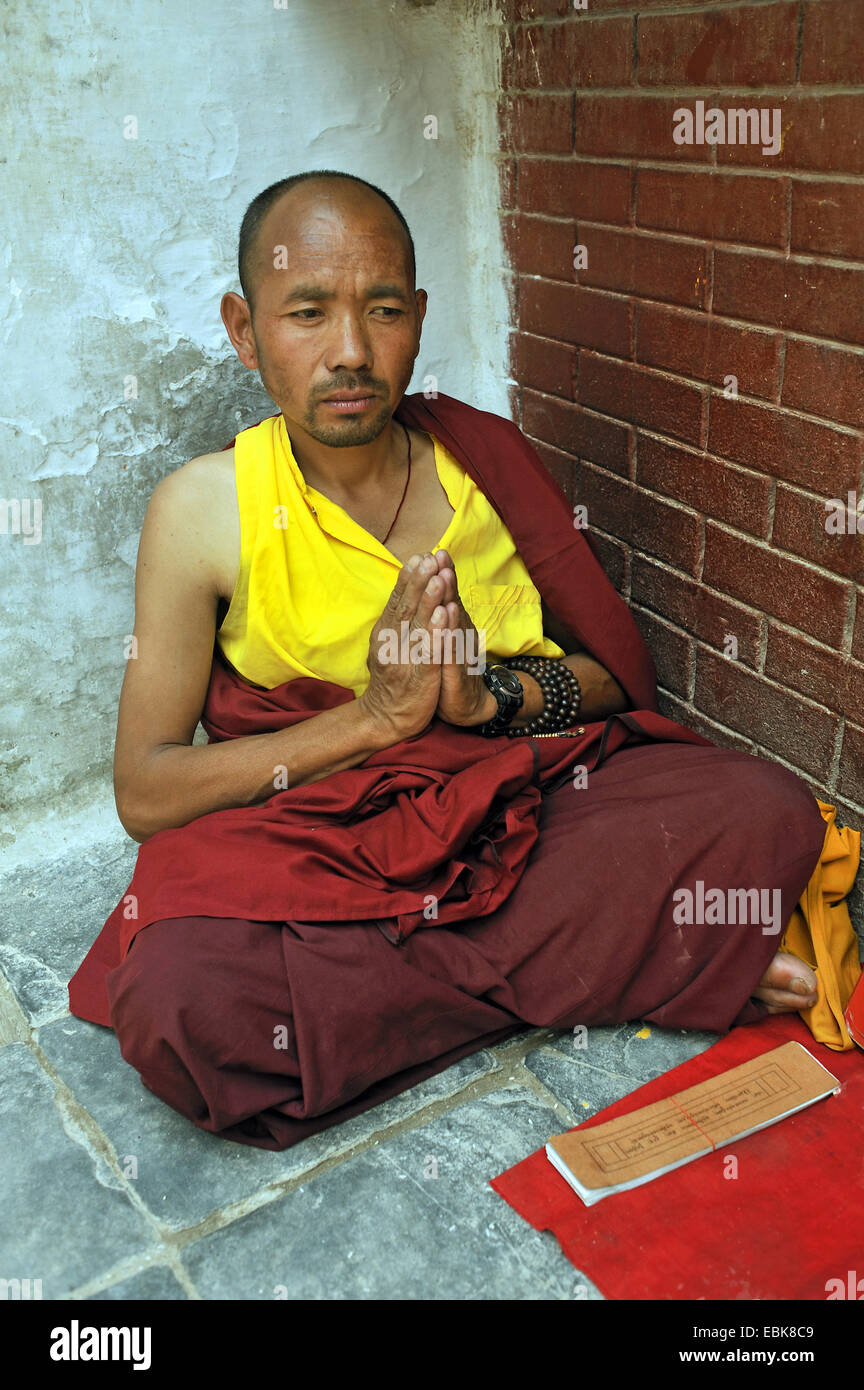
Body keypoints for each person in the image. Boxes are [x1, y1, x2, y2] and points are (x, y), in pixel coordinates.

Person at [68, 171, 826, 1150]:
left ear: (418, 319)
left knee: (759, 812)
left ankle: (456, 987)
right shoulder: (203, 509)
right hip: (316, 834)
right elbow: (148, 789)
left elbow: (607, 679)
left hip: (501, 802)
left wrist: (486, 700)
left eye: (382, 310)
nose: (350, 352)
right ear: (245, 331)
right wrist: (375, 720)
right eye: (307, 313)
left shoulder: (485, 460)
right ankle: (631, 958)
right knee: (184, 1004)